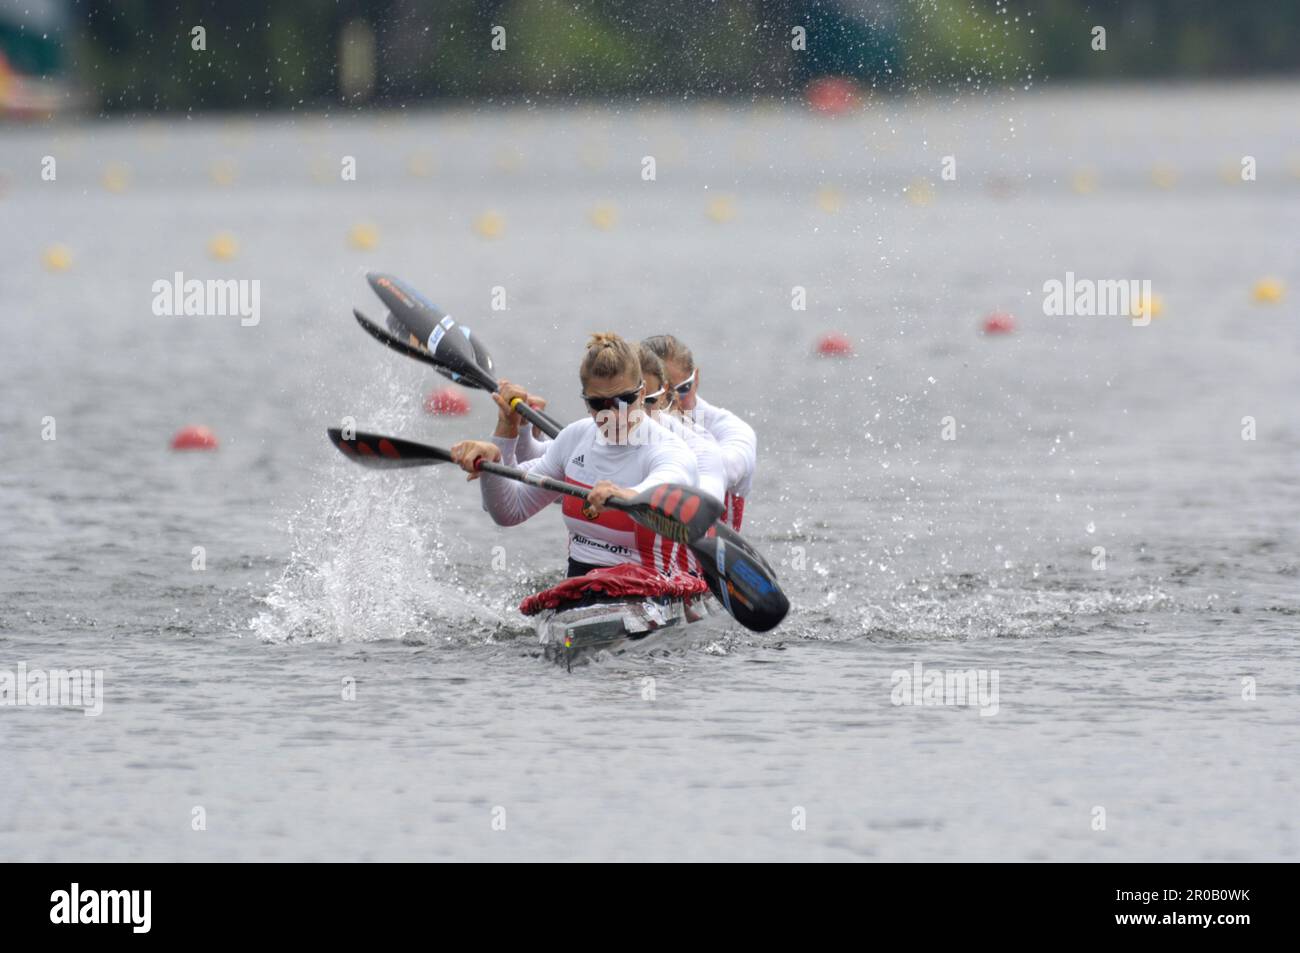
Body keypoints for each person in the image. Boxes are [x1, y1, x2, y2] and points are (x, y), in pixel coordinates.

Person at [450, 332, 698, 578]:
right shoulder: (574, 438)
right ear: (585, 401)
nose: (612, 415)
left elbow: (665, 484)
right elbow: (509, 512)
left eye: (624, 400)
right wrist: (501, 440)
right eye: (599, 404)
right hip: (580, 591)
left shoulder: (668, 449)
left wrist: (626, 496)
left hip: (649, 593)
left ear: (642, 393)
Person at [642, 334, 756, 529]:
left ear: (696, 379)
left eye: (683, 389)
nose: (675, 400)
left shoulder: (731, 429)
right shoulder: (623, 426)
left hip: (709, 544)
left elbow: (725, 469)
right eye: (665, 392)